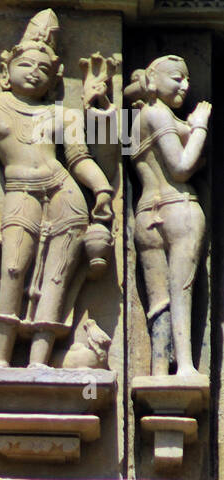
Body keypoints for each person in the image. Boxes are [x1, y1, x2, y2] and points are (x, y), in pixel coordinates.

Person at [0, 9, 113, 367]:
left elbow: (79, 159)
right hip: (19, 192)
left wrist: (103, 189)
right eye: (26, 65)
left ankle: (39, 363)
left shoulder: (62, 115)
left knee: (56, 277)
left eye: (43, 70)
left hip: (65, 194)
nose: (34, 72)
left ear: (54, 79)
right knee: (12, 268)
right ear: (5, 71)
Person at [126, 56, 210, 379]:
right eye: (177, 78)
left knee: (158, 299)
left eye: (188, 80)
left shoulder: (136, 119)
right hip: (178, 206)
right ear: (153, 78)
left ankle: (159, 369)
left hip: (147, 215)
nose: (186, 86)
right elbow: (180, 167)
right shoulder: (159, 113)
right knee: (181, 289)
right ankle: (186, 365)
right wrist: (200, 124)